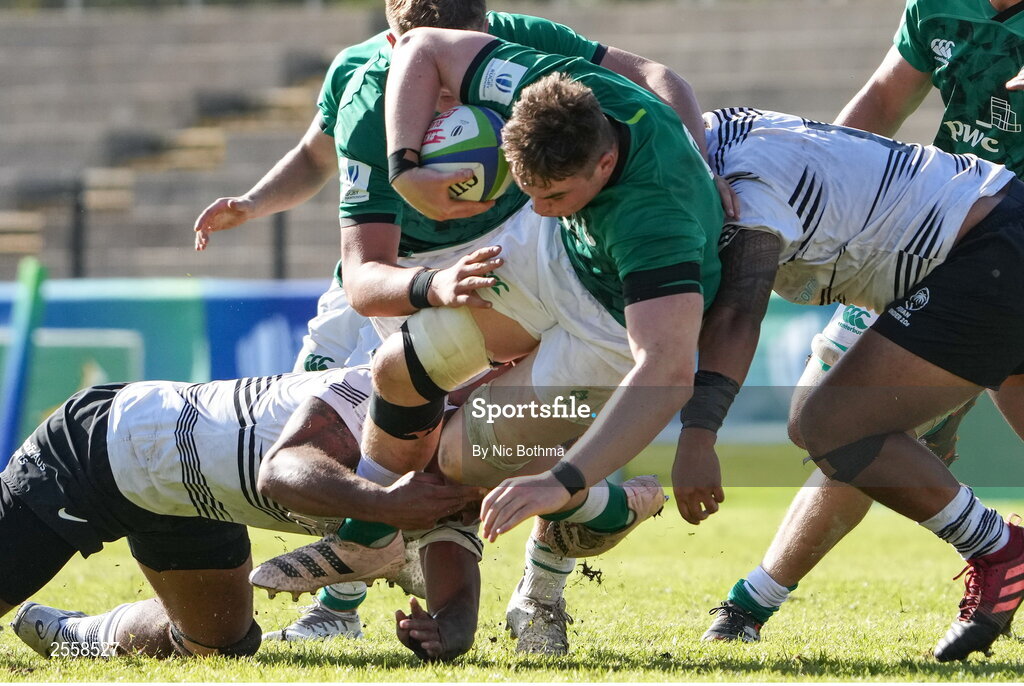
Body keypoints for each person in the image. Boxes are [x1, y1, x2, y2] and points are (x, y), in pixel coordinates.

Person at [192, 0, 734, 646]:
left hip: (607, 327)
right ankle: (367, 542)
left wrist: (560, 480)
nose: (538, 205)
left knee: (456, 458)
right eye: (527, 189)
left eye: (553, 195)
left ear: (605, 165)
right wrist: (407, 171)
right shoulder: (528, 79)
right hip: (546, 254)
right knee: (396, 370)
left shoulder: (656, 220)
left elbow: (667, 370)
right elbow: (424, 48)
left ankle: (608, 505)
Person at [702, 0, 1024, 647]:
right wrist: (840, 190)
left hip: (987, 245)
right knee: (847, 427)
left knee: (844, 424)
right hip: (927, 223)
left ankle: (752, 604)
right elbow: (883, 97)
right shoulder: (937, 7)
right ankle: (753, 603)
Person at [1, 367, 484, 662]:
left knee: (218, 642)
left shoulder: (463, 466)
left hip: (196, 502)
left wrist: (447, 632)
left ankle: (77, 634)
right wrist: (385, 504)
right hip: (106, 448)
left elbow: (457, 593)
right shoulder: (386, 394)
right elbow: (281, 472)